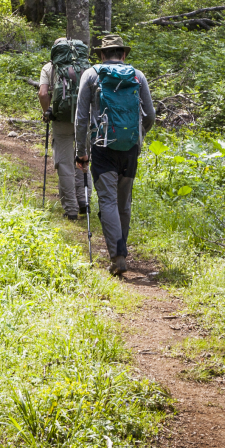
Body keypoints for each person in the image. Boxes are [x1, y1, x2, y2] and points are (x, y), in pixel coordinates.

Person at [74, 33, 155, 276]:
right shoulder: (137, 75)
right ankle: (122, 248)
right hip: (130, 148)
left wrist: (81, 153)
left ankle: (118, 255)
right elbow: (150, 115)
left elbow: (81, 118)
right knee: (123, 201)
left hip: (102, 146)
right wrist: (138, 136)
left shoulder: (91, 74)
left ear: (101, 54)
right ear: (123, 54)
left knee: (108, 201)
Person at [39, 38, 89, 220]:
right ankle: (84, 201)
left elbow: (43, 93)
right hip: (84, 119)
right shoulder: (86, 67)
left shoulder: (49, 67)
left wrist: (47, 112)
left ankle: (71, 209)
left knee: (65, 164)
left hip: (61, 120)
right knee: (83, 159)